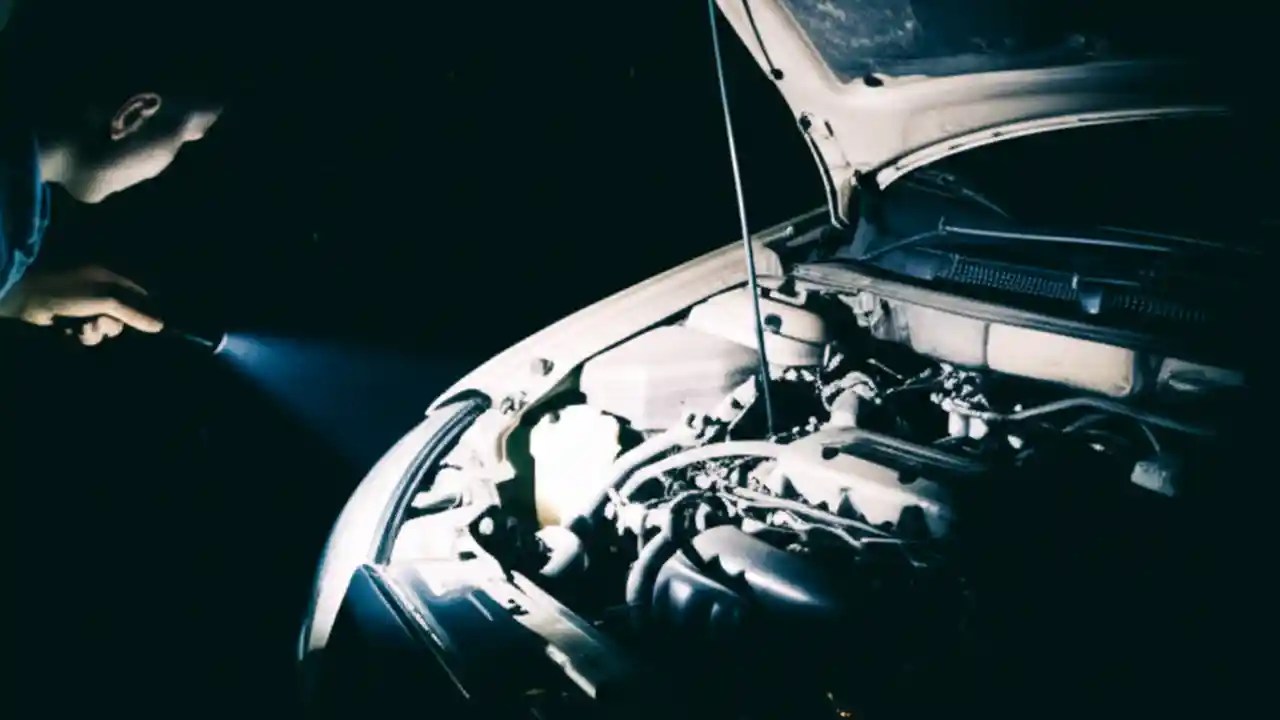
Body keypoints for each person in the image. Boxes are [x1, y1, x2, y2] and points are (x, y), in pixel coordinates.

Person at [0, 4, 222, 345]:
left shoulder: (22, 201)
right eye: (186, 138)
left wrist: (22, 297)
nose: (170, 164)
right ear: (133, 115)